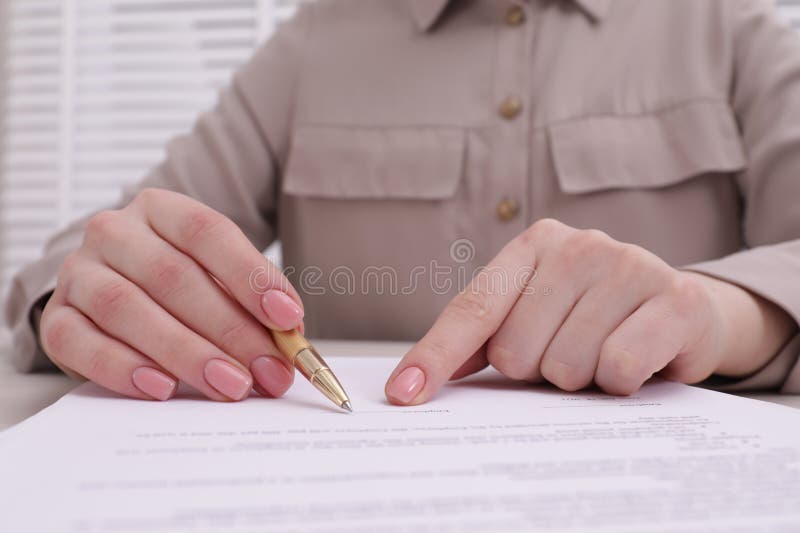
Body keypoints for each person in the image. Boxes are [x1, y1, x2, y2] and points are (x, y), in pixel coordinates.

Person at [5, 0, 800, 405]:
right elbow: (89, 251)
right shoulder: (320, 38)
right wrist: (87, 291)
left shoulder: (722, 23)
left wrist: (714, 312)